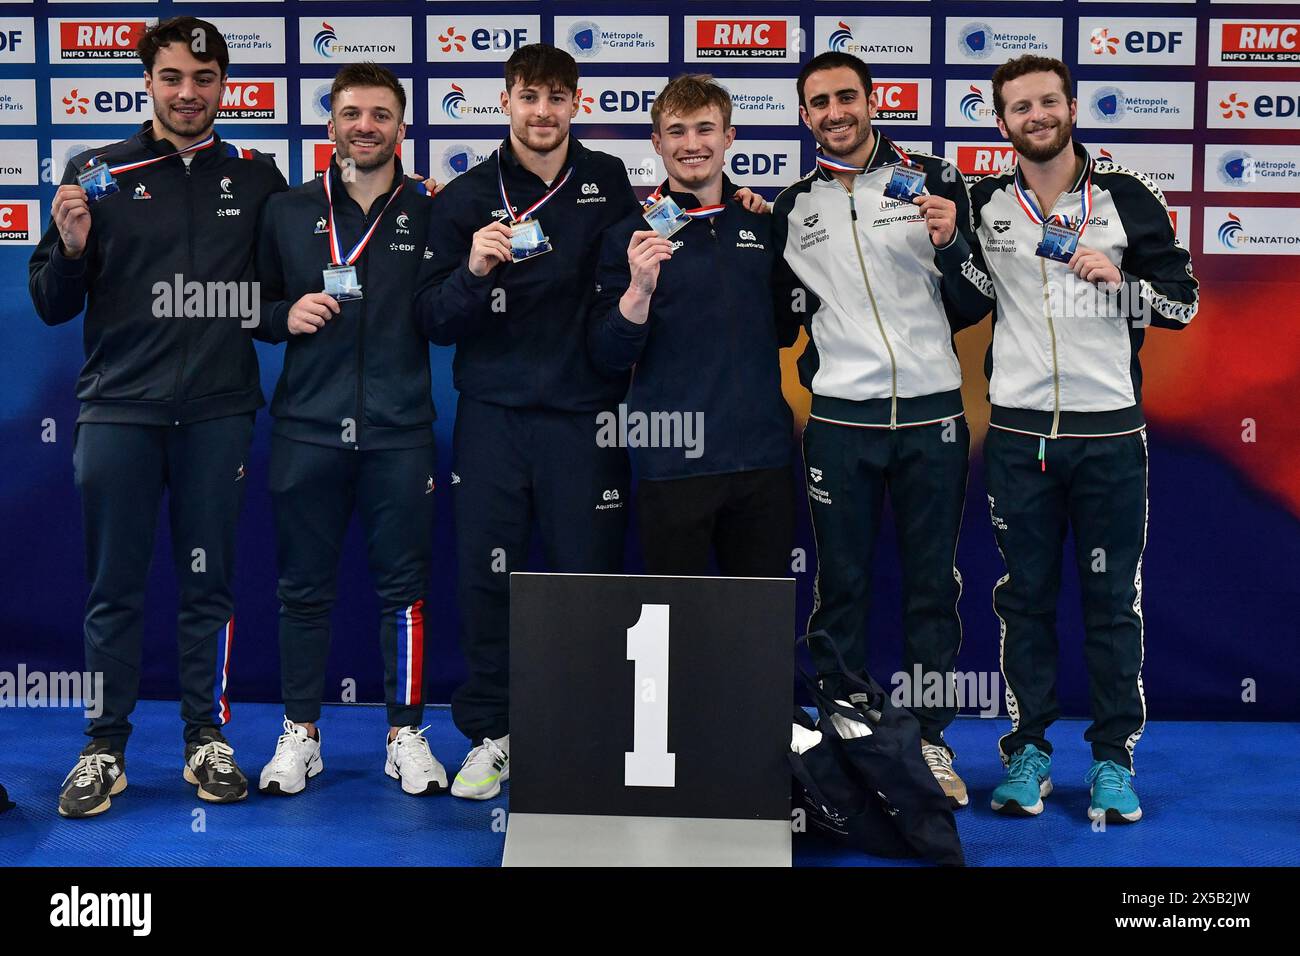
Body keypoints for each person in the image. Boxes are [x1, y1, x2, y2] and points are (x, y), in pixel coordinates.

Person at [28, 18, 288, 817]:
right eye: (172, 77)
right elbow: (48, 302)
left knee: (208, 586)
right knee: (115, 589)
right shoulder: (97, 172)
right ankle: (103, 748)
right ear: (148, 80)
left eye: (203, 79)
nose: (187, 93)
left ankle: (205, 739)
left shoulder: (257, 174)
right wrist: (70, 249)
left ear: (223, 86)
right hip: (119, 413)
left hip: (217, 413)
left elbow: (275, 303)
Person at [966, 55, 1198, 823]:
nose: (1035, 116)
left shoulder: (1127, 196)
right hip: (1018, 438)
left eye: (1047, 102)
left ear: (1070, 107)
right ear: (1002, 123)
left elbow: (1185, 304)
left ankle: (1111, 760)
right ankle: (1028, 750)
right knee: (1024, 599)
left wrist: (1122, 284)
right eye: (1018, 107)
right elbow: (940, 282)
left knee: (1110, 602)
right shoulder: (982, 204)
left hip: (1108, 439)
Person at [415, 43, 641, 800]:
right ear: (504, 101)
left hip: (586, 417)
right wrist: (474, 270)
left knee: (587, 578)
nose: (542, 113)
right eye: (528, 97)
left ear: (577, 104)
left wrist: (740, 201)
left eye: (557, 98)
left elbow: (641, 262)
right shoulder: (466, 197)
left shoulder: (606, 179)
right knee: (490, 580)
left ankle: (584, 728)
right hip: (494, 420)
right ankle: (492, 733)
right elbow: (434, 320)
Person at [771, 51, 994, 808]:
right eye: (818, 103)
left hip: (933, 416)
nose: (833, 113)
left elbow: (973, 303)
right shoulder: (790, 207)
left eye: (845, 98)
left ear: (872, 101)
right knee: (843, 587)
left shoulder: (935, 179)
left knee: (932, 586)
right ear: (805, 117)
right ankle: (848, 737)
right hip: (839, 424)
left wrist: (951, 243)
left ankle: (929, 741)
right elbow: (780, 314)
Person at [252, 63, 447, 797]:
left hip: (400, 431)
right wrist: (280, 316)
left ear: (402, 125)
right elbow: (244, 300)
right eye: (351, 113)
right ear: (330, 122)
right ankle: (301, 733)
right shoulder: (286, 209)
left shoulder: (433, 208)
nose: (365, 126)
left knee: (406, 593)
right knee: (303, 590)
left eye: (380, 114)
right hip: (306, 427)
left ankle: (406, 735)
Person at [589, 74, 802, 577]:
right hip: (673, 458)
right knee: (675, 624)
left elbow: (785, 329)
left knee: (756, 623)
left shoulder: (763, 223)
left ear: (728, 138)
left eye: (705, 129)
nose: (692, 144)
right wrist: (638, 290)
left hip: (762, 459)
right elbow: (608, 354)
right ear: (656, 142)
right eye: (676, 131)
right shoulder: (630, 233)